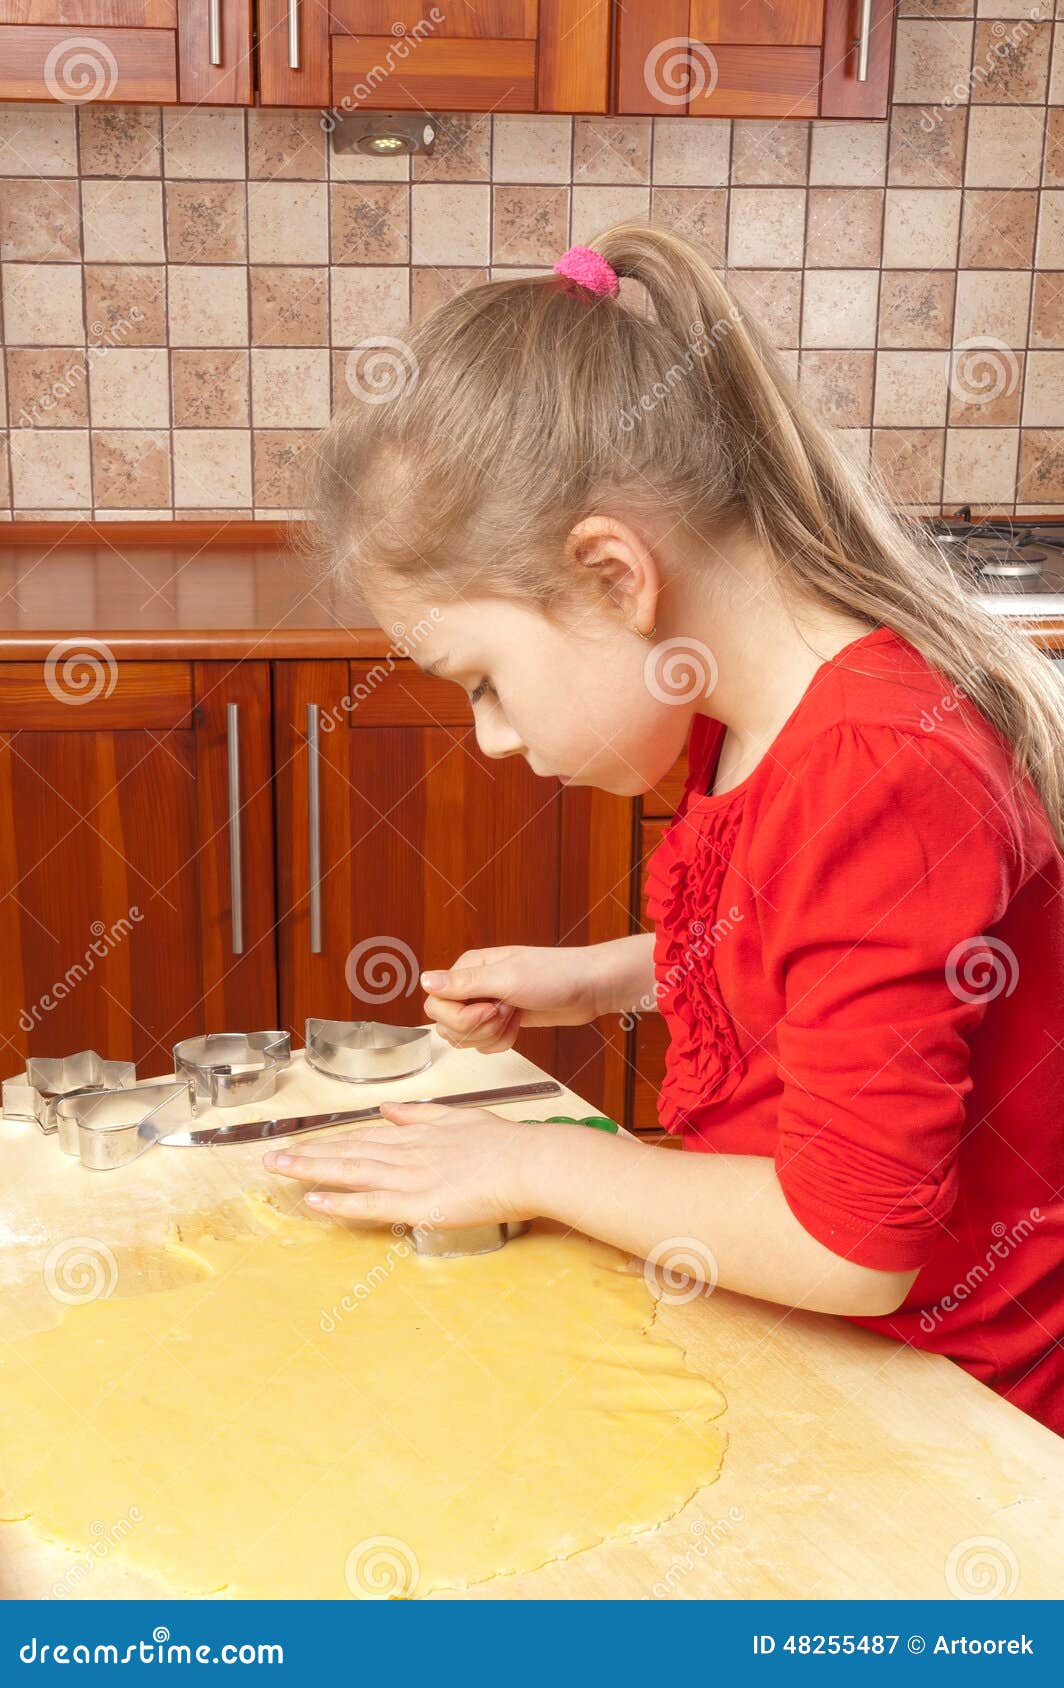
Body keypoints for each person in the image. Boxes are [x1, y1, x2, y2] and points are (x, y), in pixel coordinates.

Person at [265, 226, 1064, 1435]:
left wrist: (530, 1162)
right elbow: (808, 963)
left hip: (959, 1406)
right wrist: (596, 979)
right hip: (815, 1338)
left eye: (481, 678)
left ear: (612, 576)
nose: (486, 735)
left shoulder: (882, 773)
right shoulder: (744, 718)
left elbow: (852, 1245)